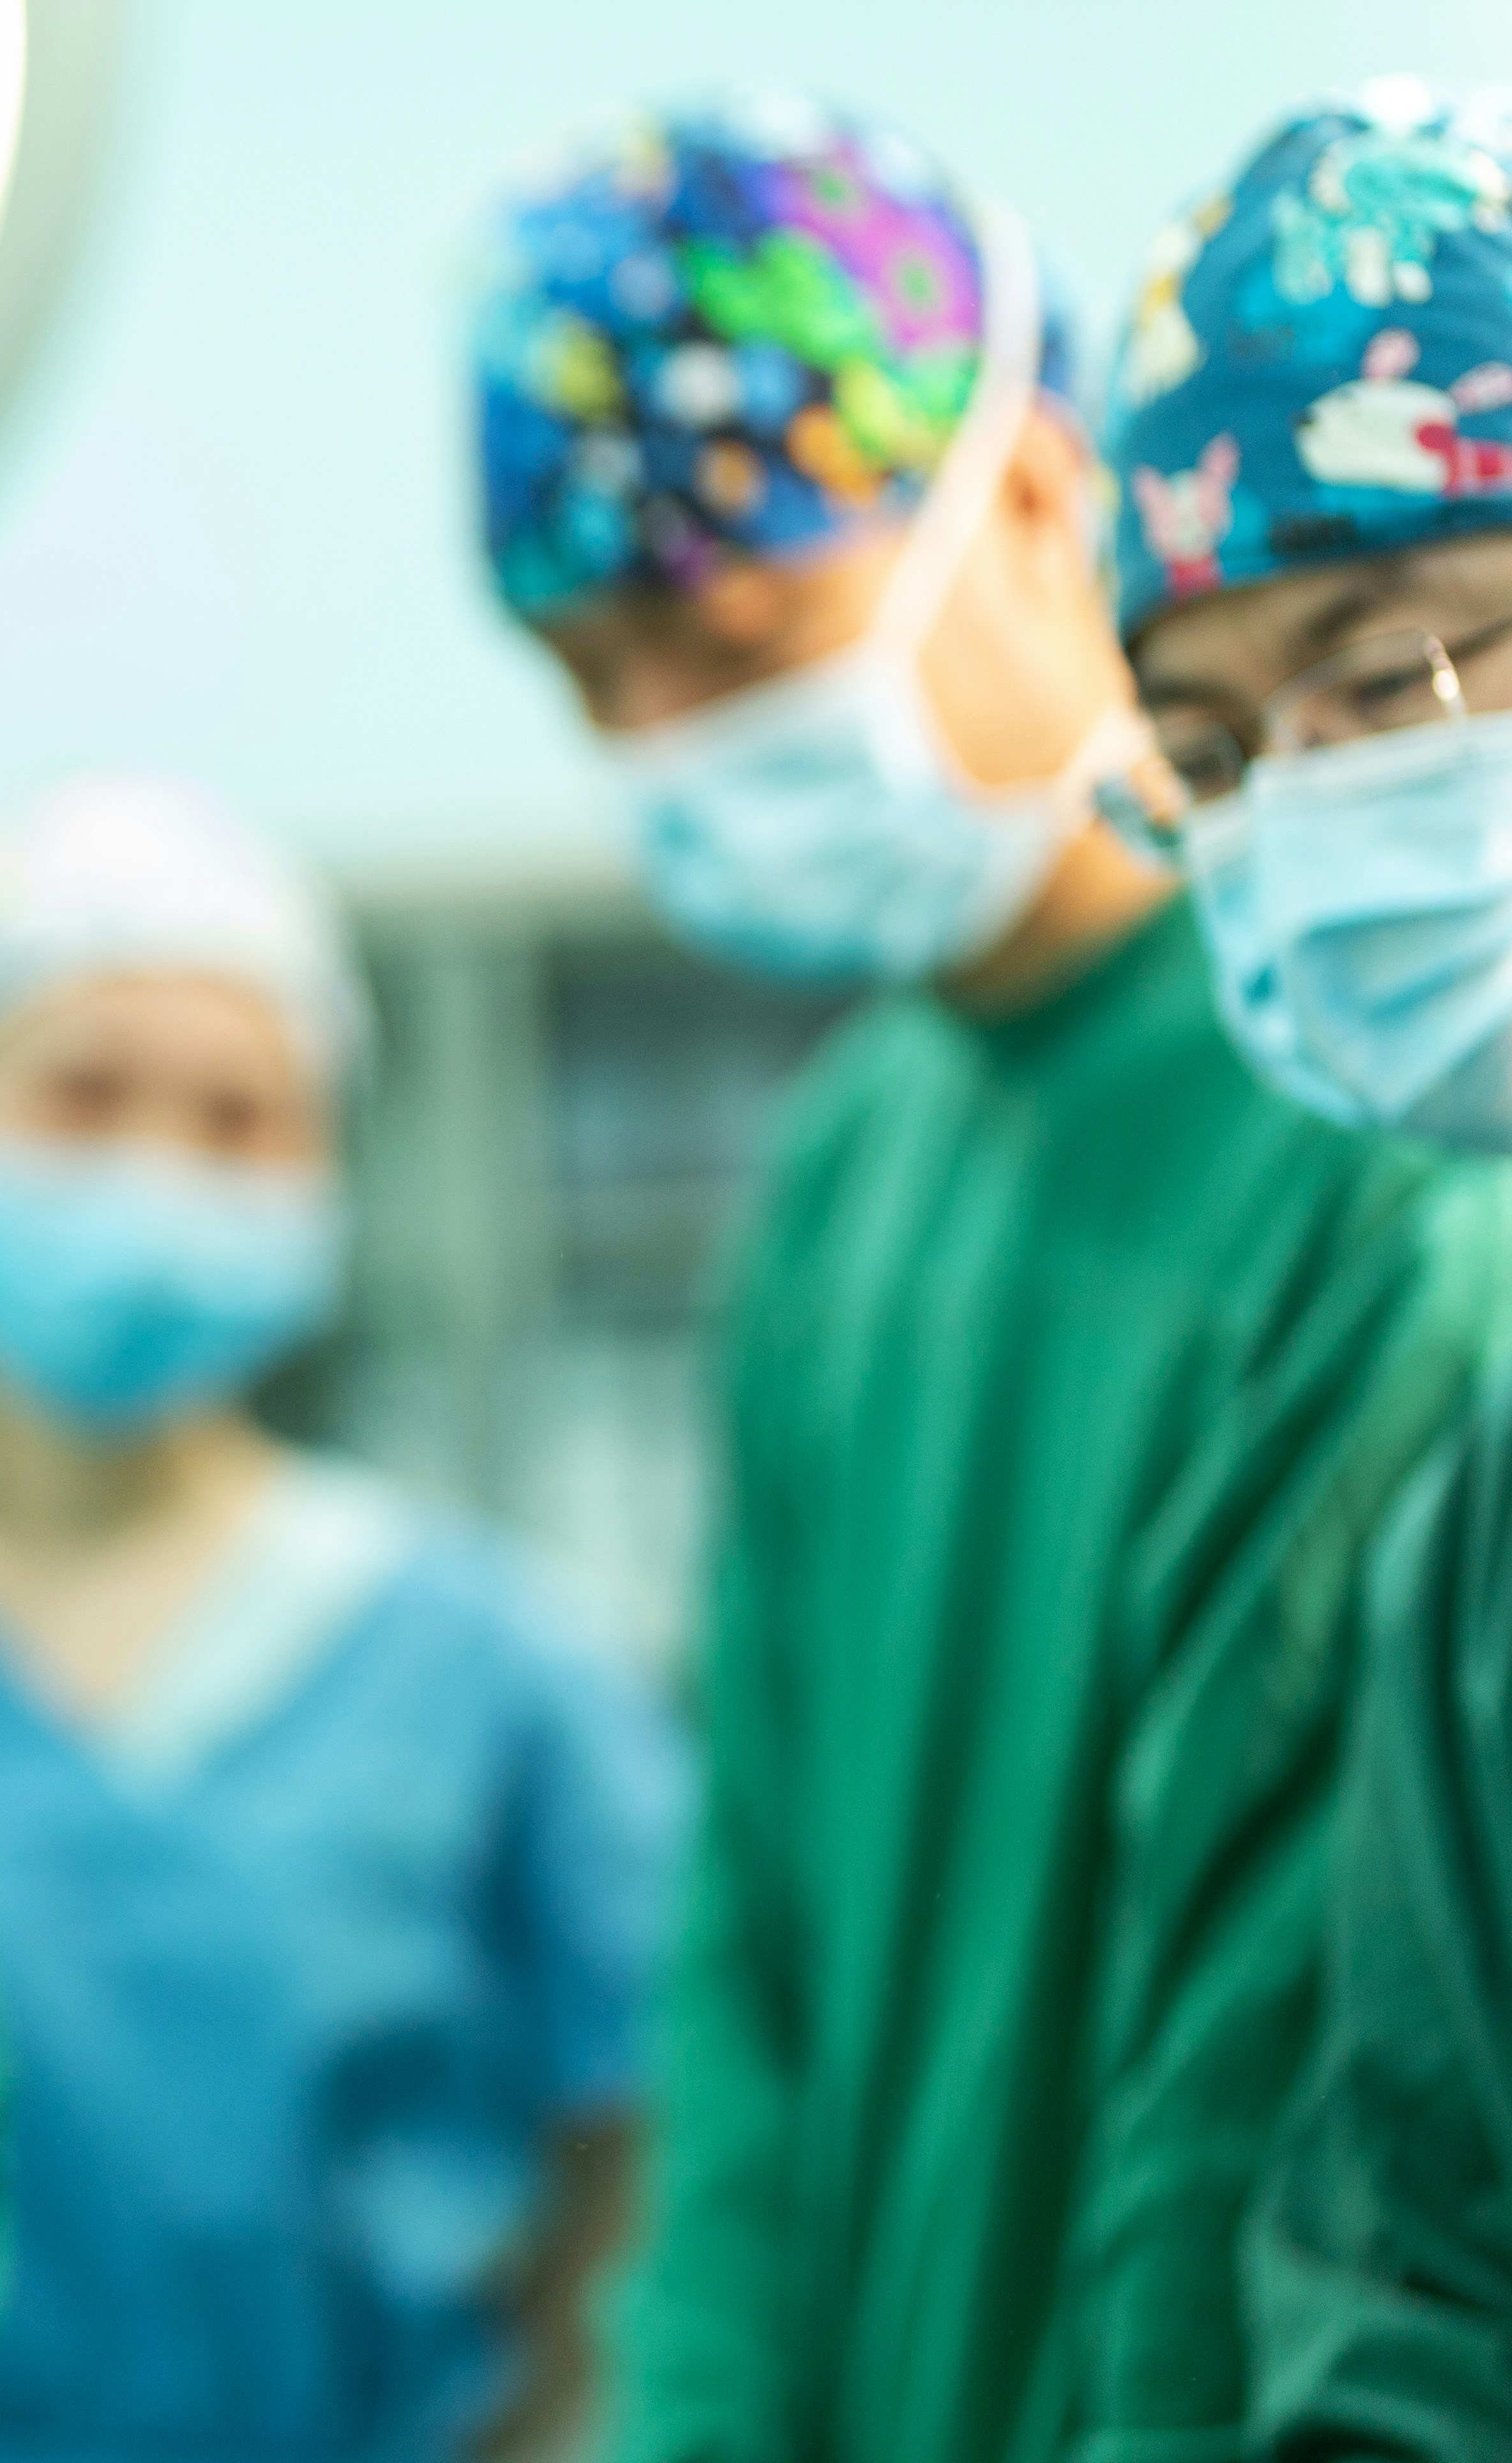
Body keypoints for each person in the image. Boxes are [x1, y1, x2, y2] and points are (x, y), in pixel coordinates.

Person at [472, 96, 1512, 2463]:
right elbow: (751, 1966)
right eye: (595, 676)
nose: (669, 745)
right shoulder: (854, 1173)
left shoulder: (1384, 1158)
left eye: (725, 639)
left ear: (1032, 502)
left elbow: (1266, 2086)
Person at [0, 778, 687, 2463]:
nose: (158, 1166)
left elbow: (659, 2156)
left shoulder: (486, 1667)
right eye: (84, 1094)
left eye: (240, 1119)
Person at [1089, 85, 1512, 2459]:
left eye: (1389, 678)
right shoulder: (1488, 1516)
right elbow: (1406, 2258)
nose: (1315, 814)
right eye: (1214, 746)